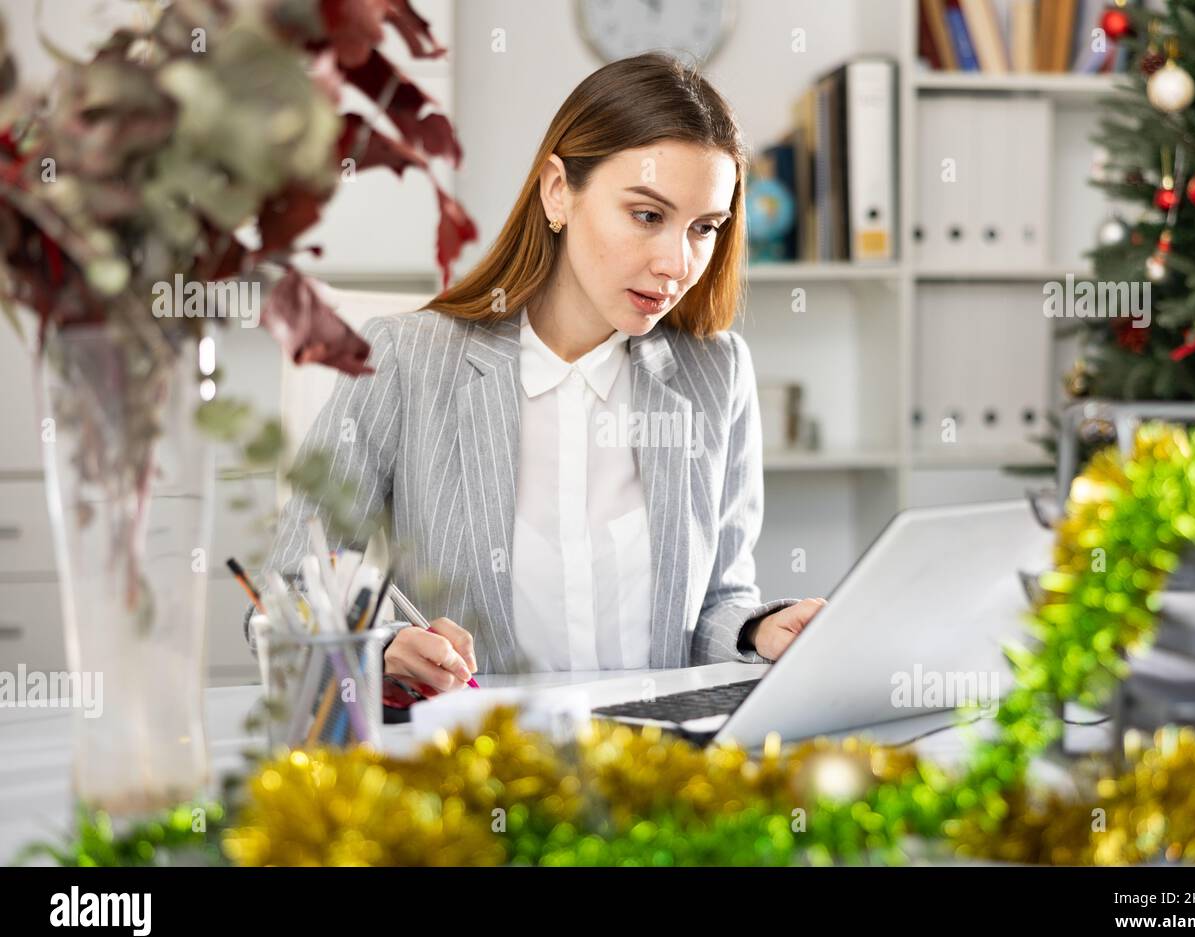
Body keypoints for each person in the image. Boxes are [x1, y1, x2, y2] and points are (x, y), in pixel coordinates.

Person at [257, 52, 827, 694]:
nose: (676, 262)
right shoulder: (406, 360)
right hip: (480, 763)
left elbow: (717, 601)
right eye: (647, 216)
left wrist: (757, 630)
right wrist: (384, 646)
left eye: (704, 228)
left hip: (655, 762)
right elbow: (290, 596)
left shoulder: (714, 373)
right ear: (558, 191)